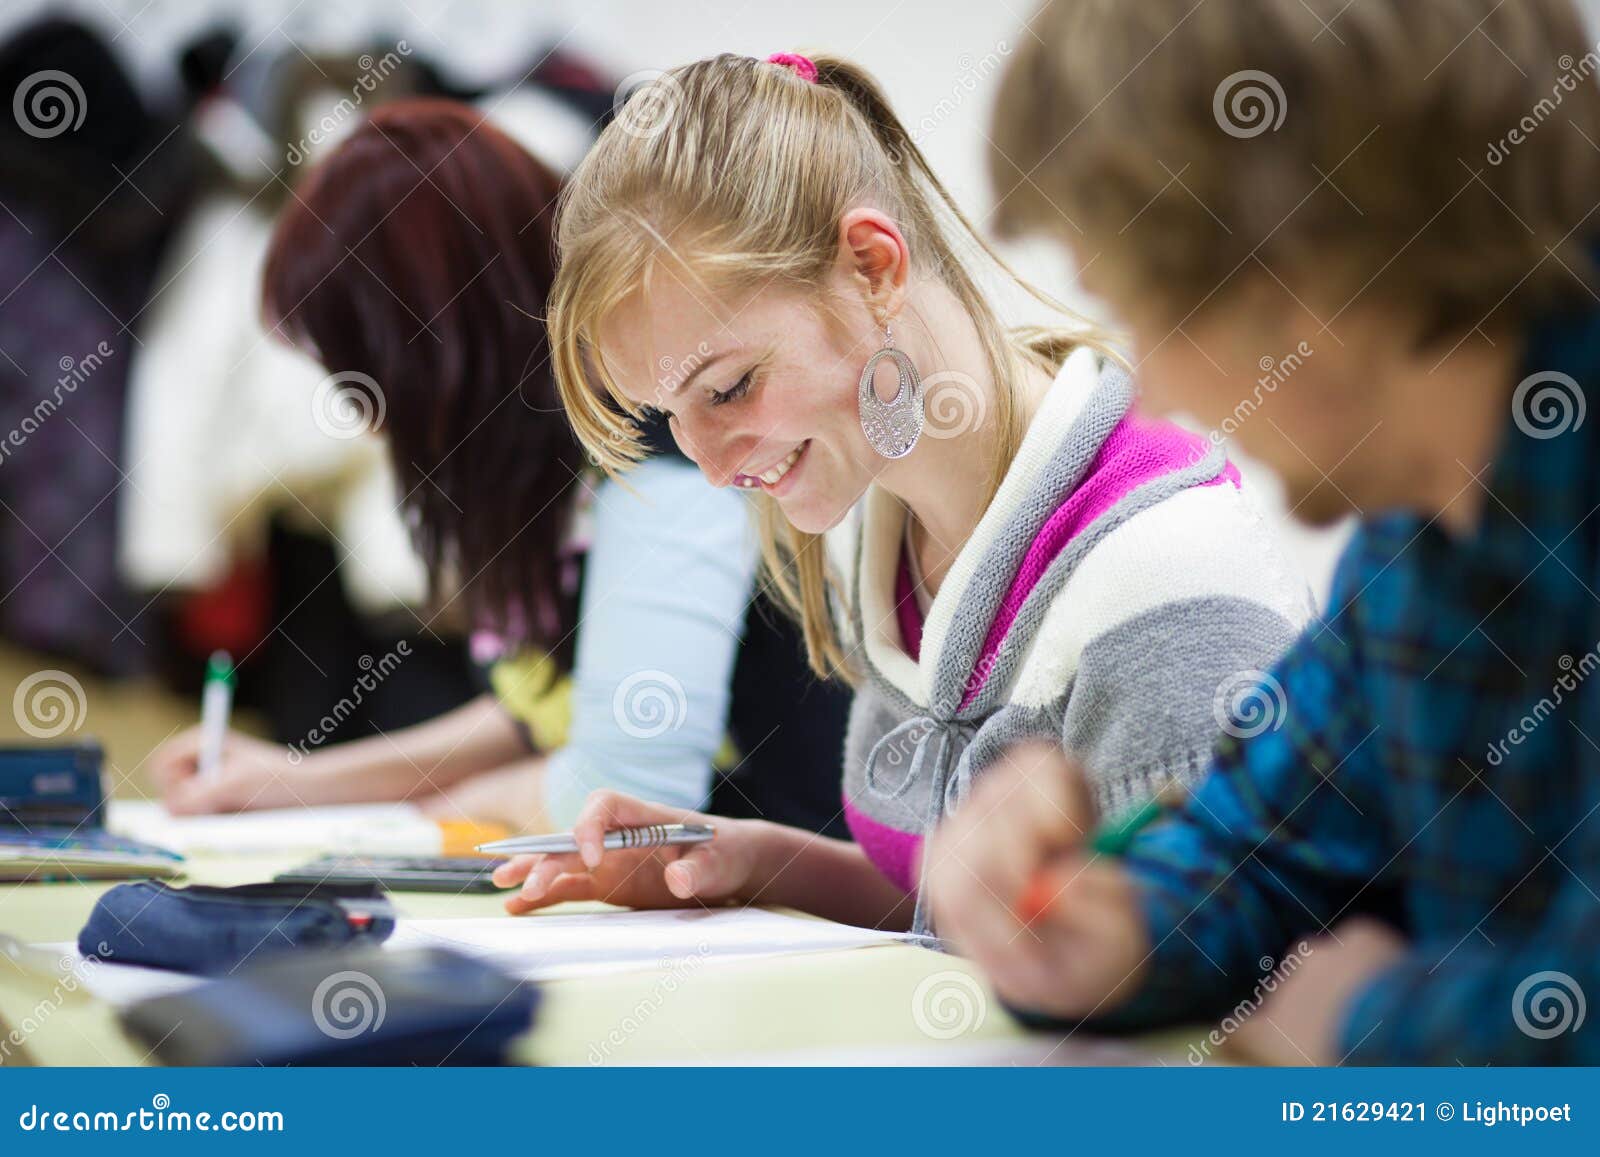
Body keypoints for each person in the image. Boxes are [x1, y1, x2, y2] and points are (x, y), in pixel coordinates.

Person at [490, 52, 1309, 932]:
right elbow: (957, 911)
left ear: (875, 267)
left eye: (729, 389)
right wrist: (754, 860)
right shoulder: (875, 533)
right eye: (671, 416)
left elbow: (1211, 966)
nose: (717, 467)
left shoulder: (1168, 576)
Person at [926, 0, 1600, 1064]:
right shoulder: (1413, 546)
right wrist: (1114, 934)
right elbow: (1265, 843)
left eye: (1160, 313)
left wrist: (1362, 1017)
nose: (1151, 394)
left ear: (1317, 271)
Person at [150, 100, 851, 838]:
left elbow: (630, 790)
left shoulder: (661, 443)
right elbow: (540, 711)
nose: (365, 414)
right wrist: (292, 784)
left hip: (807, 901)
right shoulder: (539, 473)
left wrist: (431, 813)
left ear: (439, 348)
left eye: (366, 369)